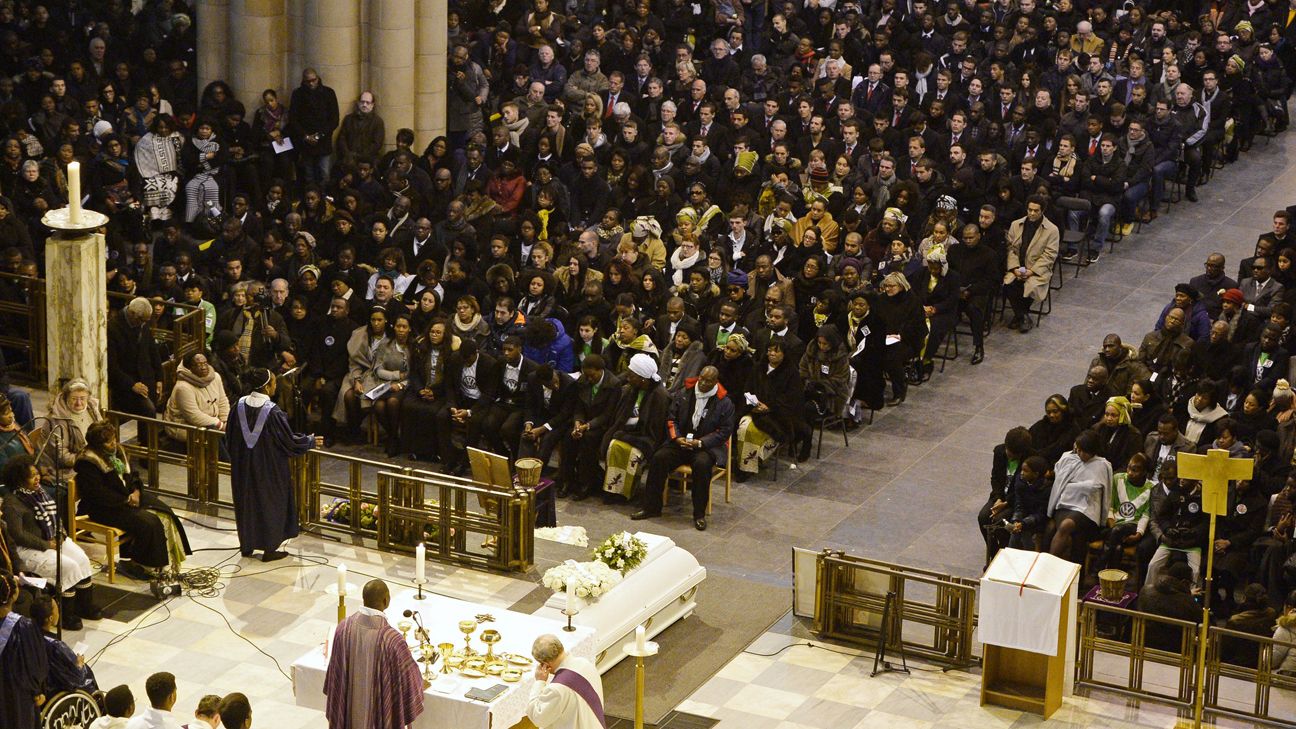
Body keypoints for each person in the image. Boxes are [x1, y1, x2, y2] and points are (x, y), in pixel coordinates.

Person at [74, 422, 191, 578]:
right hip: (105, 508)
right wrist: (126, 499)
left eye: (114, 439)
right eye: (109, 442)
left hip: (127, 496)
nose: (114, 443)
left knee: (165, 511)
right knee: (149, 522)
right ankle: (140, 564)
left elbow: (132, 475)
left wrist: (136, 491)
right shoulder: (87, 462)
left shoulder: (118, 452)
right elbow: (97, 494)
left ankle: (160, 561)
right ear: (97, 445)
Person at [227, 368, 322, 562]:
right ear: (267, 386)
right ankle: (270, 549)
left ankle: (247, 546)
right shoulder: (273, 412)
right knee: (271, 503)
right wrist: (309, 441)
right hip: (269, 468)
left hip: (243, 467)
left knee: (247, 502)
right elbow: (288, 441)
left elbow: (230, 437)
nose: (275, 386)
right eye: (274, 383)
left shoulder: (238, 406)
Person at [2, 455, 100, 629]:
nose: (37, 477)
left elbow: (55, 516)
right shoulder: (12, 502)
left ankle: (84, 605)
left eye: (36, 473)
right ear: (19, 480)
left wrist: (60, 534)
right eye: (32, 475)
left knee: (82, 559)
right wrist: (46, 545)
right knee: (67, 567)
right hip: (28, 548)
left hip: (52, 539)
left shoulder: (40, 492)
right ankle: (65, 615)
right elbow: (17, 534)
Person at [637, 365, 735, 530]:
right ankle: (651, 507)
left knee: (702, 465)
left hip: (705, 447)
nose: (703, 383)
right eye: (701, 378)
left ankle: (699, 514)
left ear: (716, 382)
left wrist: (700, 442)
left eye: (708, 381)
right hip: (681, 443)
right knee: (659, 458)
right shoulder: (684, 393)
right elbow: (671, 418)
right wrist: (677, 437)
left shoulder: (724, 403)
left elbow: (724, 431)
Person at [324, 579, 424, 729]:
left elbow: (335, 676)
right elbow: (410, 680)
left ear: (364, 600)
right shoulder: (392, 640)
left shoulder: (343, 628)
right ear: (386, 601)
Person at [600, 352, 670, 500]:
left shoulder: (660, 396)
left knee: (622, 447)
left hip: (646, 438)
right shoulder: (632, 389)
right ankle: (613, 489)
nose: (628, 377)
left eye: (631, 375)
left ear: (643, 378)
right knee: (613, 444)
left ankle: (625, 492)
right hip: (629, 431)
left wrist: (626, 435)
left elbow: (652, 430)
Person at [1046, 430, 1113, 562]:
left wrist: (1073, 486)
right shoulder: (1069, 458)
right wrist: (1080, 486)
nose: (1080, 454)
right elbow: (1060, 478)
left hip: (1087, 509)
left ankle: (1049, 563)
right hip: (1065, 505)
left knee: (1067, 525)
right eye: (1079, 450)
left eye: (1084, 451)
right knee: (1077, 537)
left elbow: (1094, 487)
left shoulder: (1103, 465)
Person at [526, 633, 606, 729]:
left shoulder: (556, 689)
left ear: (545, 664)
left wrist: (539, 682)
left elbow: (538, 718)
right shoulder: (585, 663)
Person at [0, 570, 48, 729]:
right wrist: (38, 691)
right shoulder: (24, 628)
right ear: (13, 596)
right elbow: (36, 667)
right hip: (15, 700)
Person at [26, 593, 97, 693]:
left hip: (37, 687)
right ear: (50, 618)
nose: (58, 612)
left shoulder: (26, 635)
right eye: (56, 609)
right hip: (55, 689)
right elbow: (77, 680)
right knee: (86, 671)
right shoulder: (55, 646)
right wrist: (80, 665)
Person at [106, 296, 163, 416]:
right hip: (125, 383)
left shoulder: (142, 323)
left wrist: (159, 378)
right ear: (132, 314)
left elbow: (153, 351)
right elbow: (112, 365)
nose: (143, 324)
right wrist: (132, 385)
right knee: (148, 411)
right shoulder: (113, 327)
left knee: (156, 408)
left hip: (146, 378)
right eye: (141, 320)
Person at [163, 351, 230, 442]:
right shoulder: (183, 387)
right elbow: (193, 416)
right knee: (214, 436)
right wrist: (219, 424)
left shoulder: (215, 377)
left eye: (205, 363)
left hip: (211, 422)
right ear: (189, 368)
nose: (203, 367)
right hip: (184, 426)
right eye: (198, 365)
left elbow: (222, 400)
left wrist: (225, 420)